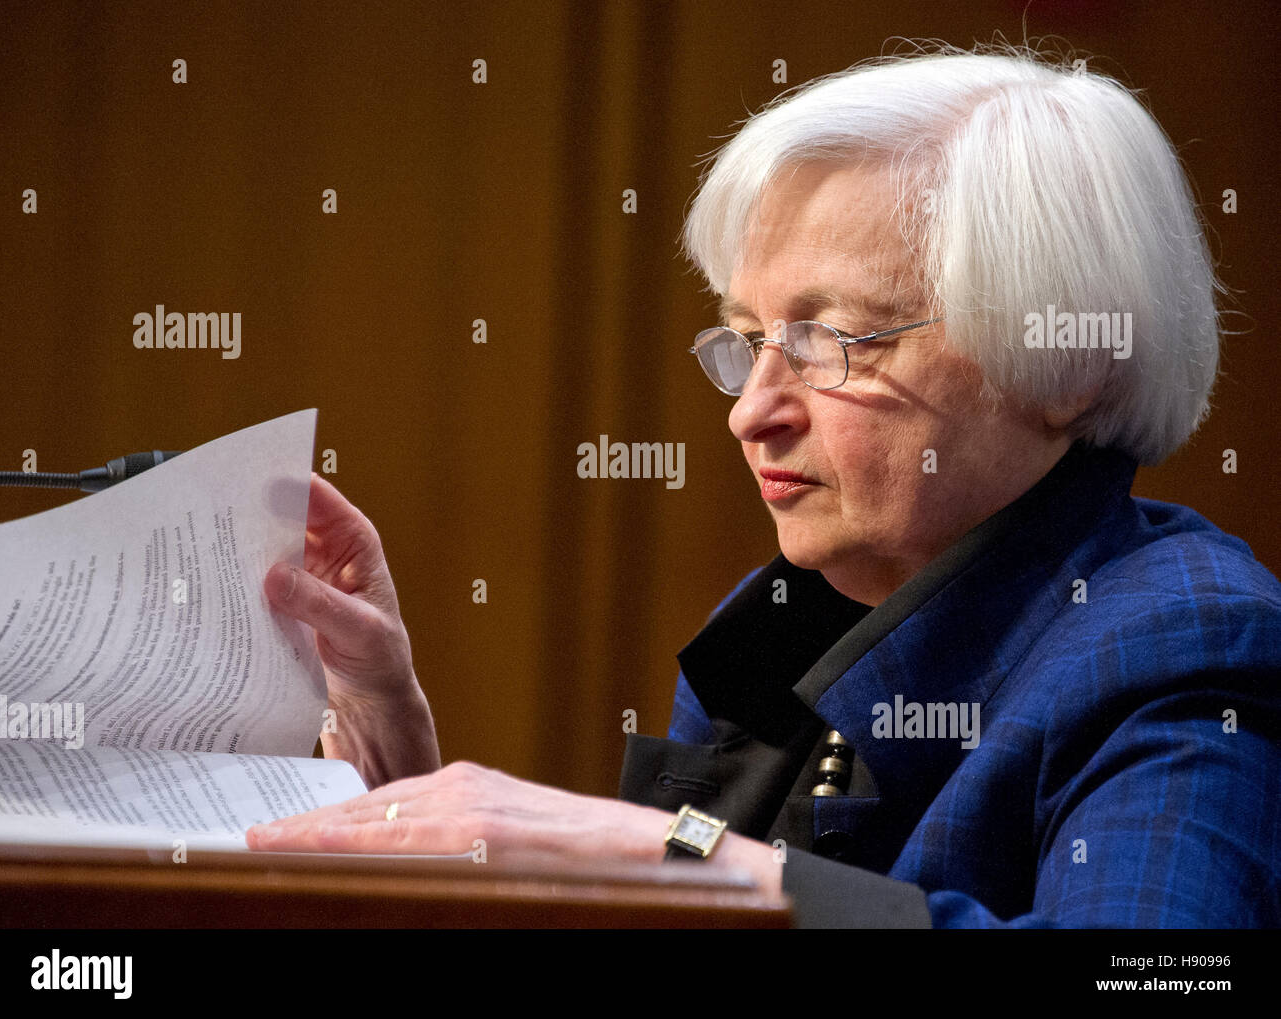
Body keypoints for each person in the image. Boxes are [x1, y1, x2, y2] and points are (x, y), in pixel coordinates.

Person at [244, 45, 1281, 928]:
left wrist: (671, 854)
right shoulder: (786, 622)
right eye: (748, 342)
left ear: (1068, 366)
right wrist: (397, 804)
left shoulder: (1186, 639)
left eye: (830, 339)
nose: (752, 410)